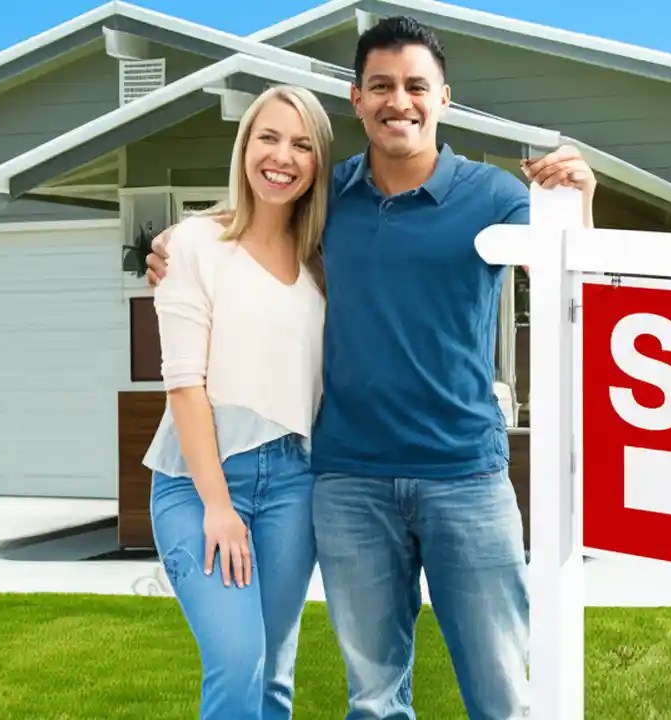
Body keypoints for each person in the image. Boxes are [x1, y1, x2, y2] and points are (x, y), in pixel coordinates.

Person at [147, 16, 596, 720]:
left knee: (505, 696)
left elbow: (580, 278)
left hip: (466, 480)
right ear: (357, 99)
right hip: (348, 484)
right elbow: (251, 229)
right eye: (382, 85)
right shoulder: (329, 203)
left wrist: (581, 199)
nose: (400, 100)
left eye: (417, 86)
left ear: (444, 98)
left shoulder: (495, 196)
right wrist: (176, 242)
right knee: (375, 701)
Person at [141, 83, 333, 720]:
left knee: (275, 669)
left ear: (318, 164)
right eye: (269, 137)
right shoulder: (194, 246)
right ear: (244, 145)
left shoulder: (321, 265)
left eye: (303, 145)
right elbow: (184, 383)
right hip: (197, 485)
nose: (282, 156)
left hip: (294, 483)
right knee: (237, 656)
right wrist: (219, 506)